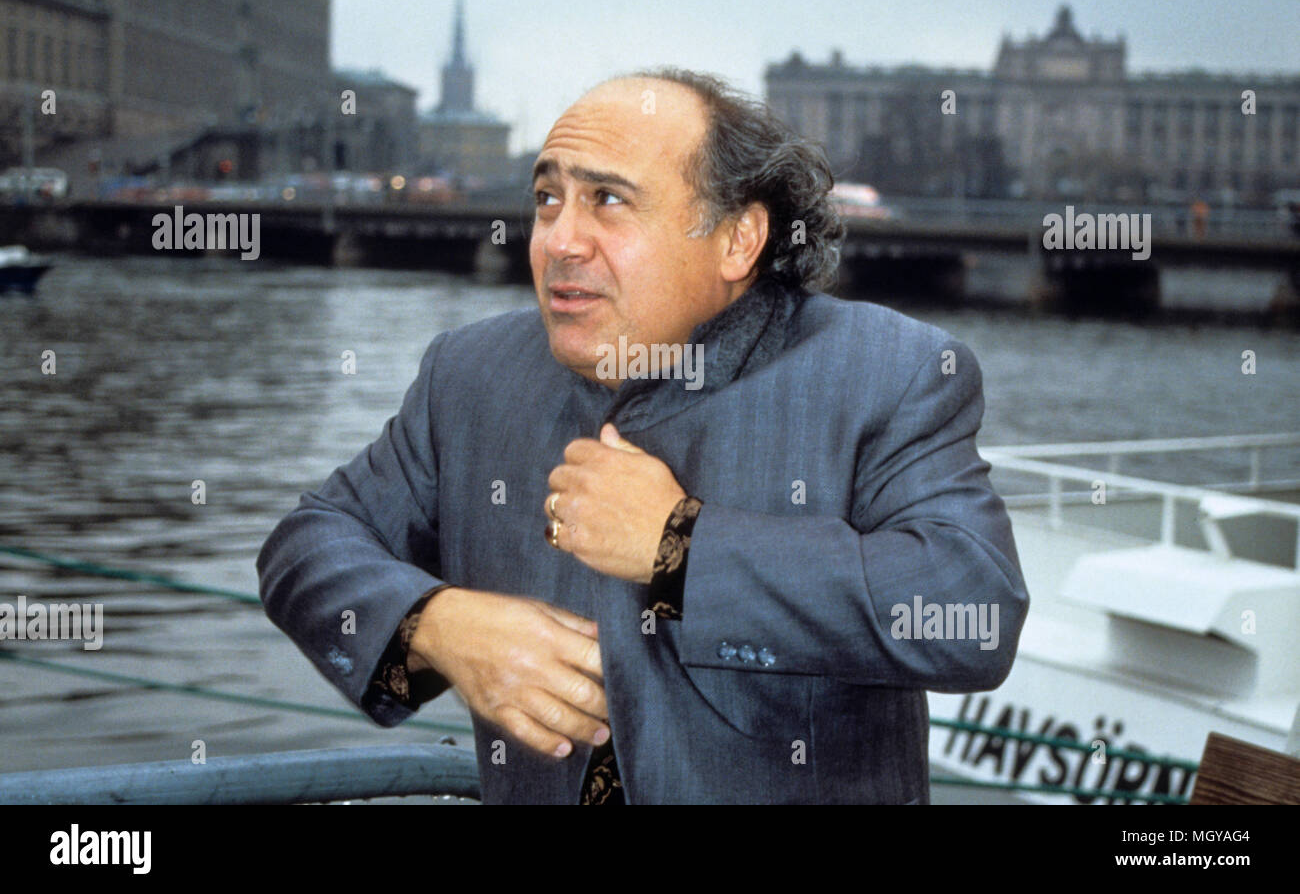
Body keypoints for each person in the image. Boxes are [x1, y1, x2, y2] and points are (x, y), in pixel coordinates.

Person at [256, 67, 1029, 804]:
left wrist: (678, 548)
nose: (560, 239)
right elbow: (307, 545)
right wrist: (439, 624)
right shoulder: (472, 375)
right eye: (547, 198)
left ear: (737, 239)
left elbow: (973, 609)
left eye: (608, 201)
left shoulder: (886, 373)